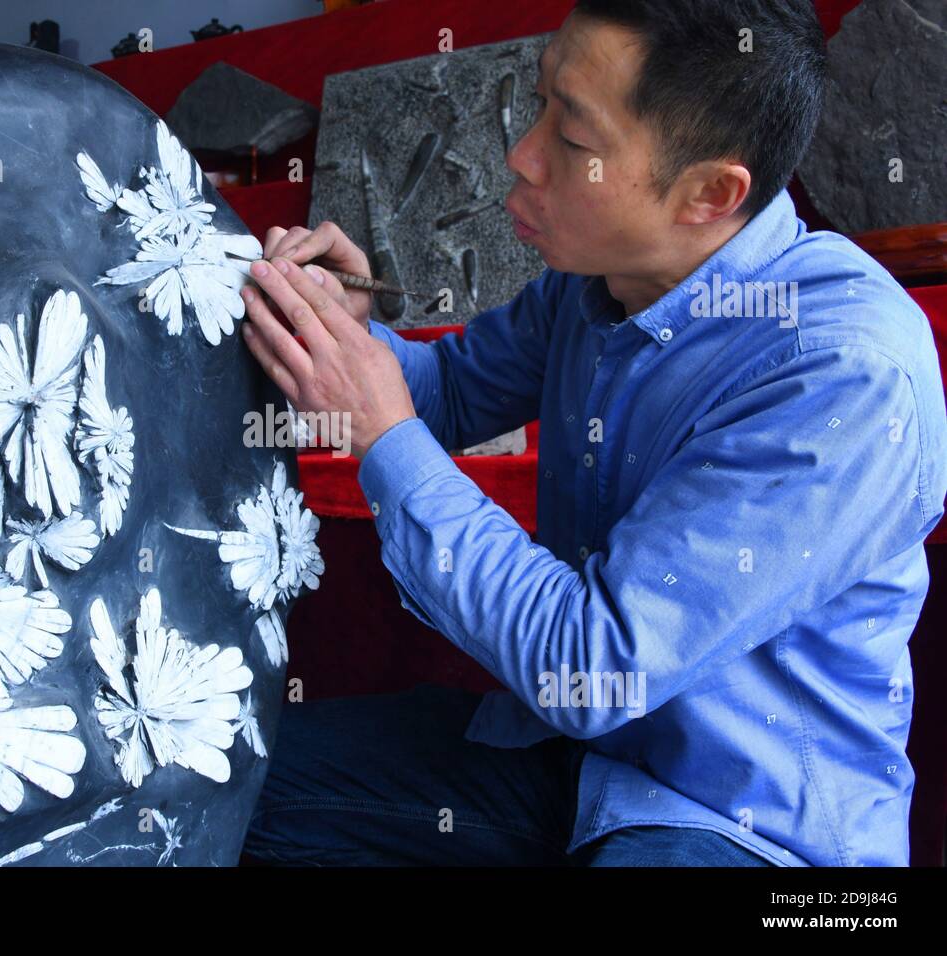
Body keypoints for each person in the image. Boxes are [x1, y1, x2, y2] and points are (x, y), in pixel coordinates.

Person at [235, 0, 947, 866]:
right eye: (540, 105)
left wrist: (383, 434)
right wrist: (346, 328)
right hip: (574, 763)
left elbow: (595, 662)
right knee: (214, 784)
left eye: (572, 142)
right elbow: (449, 391)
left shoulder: (843, 371)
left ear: (710, 194)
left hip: (742, 826)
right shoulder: (601, 278)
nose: (520, 156)